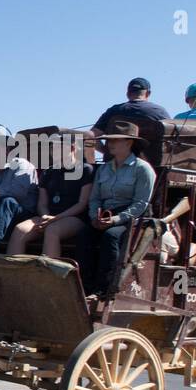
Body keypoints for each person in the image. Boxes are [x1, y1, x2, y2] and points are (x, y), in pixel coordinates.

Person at [76, 121, 157, 297]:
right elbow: (95, 198)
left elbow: (141, 204)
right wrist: (94, 217)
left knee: (111, 236)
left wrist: (115, 220)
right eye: (108, 140)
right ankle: (84, 286)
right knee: (84, 236)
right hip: (103, 214)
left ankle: (105, 289)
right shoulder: (104, 169)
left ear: (129, 143)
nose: (109, 144)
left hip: (130, 218)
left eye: (115, 140)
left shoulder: (143, 169)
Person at [6, 135, 94, 257]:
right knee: (20, 230)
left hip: (74, 217)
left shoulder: (86, 170)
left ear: (72, 149)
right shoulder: (48, 172)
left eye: (59, 147)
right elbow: (42, 203)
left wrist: (56, 218)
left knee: (52, 230)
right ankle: (11, 271)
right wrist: (45, 216)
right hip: (47, 217)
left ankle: (49, 272)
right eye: (53, 148)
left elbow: (82, 204)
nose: (54, 151)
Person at [89, 77, 170, 138]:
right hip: (153, 160)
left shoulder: (114, 111)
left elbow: (91, 136)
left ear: (127, 93)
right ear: (148, 93)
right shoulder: (159, 111)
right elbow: (171, 138)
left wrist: (107, 152)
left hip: (117, 160)